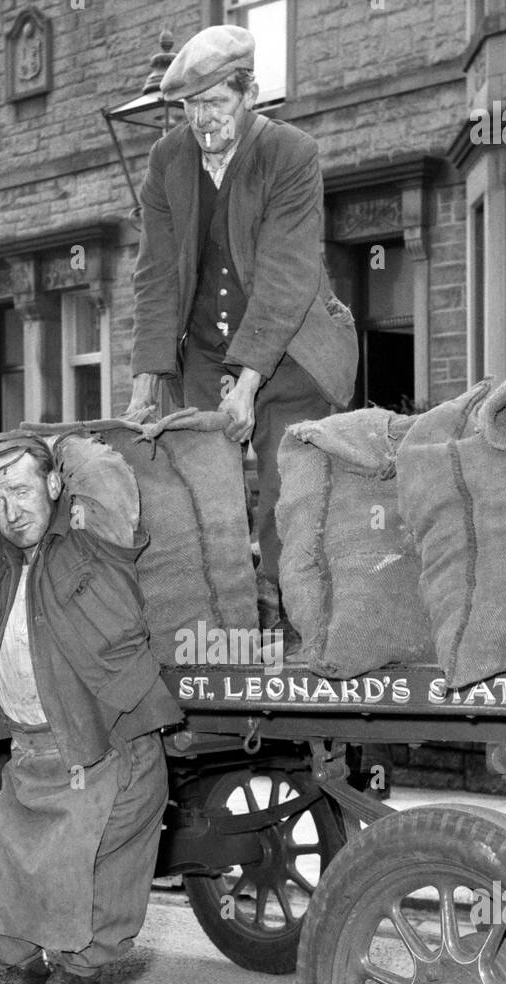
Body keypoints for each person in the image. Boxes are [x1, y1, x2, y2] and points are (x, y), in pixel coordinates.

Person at [0, 431, 181, 984]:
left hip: (104, 749)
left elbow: (104, 468)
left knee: (88, 874)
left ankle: (77, 975)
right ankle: (22, 973)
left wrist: (49, 442)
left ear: (53, 483)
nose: (10, 511)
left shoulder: (93, 534)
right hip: (32, 754)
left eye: (21, 490)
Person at [124, 23, 357, 628]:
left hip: (293, 349)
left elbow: (285, 274)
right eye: (190, 107)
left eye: (215, 104)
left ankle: (295, 623)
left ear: (248, 94)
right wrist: (146, 384)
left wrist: (248, 385)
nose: (202, 121)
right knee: (207, 490)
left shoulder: (291, 153)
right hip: (204, 347)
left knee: (289, 492)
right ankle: (224, 622)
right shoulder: (166, 159)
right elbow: (154, 275)